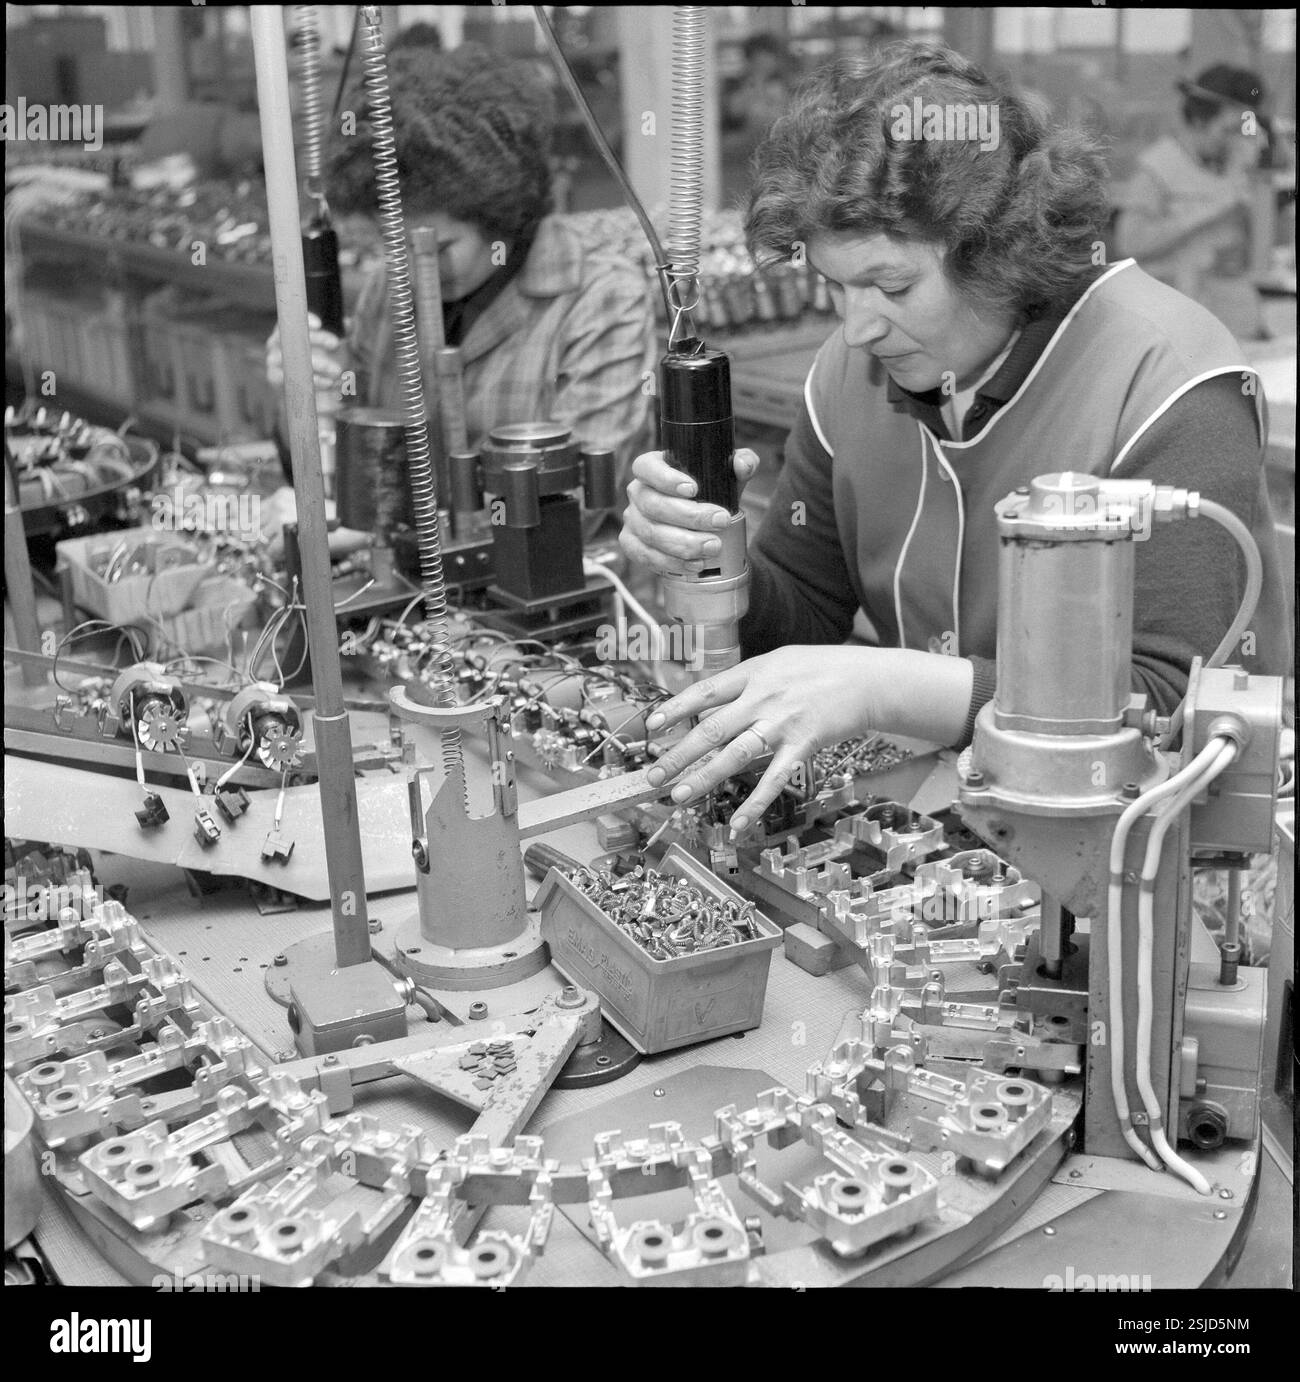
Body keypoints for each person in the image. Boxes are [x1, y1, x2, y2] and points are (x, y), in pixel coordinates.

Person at [621, 42, 1290, 834]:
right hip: (946, 820)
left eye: (892, 285)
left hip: (1143, 849)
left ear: (999, 252)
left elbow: (1167, 711)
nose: (857, 327)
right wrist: (713, 558)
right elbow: (803, 615)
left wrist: (881, 688)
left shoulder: (1165, 384)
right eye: (836, 287)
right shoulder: (850, 373)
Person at [265, 43, 656, 533]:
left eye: (436, 247)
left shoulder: (599, 296)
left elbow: (574, 505)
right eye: (388, 246)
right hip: (410, 593)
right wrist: (304, 396)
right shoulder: (387, 289)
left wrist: (381, 529)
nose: (406, 268)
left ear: (501, 215)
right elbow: (341, 468)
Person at [1115, 64, 1275, 341]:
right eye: (1227, 130)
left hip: (1235, 317)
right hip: (1177, 319)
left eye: (1242, 130)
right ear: (1200, 120)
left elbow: (1261, 249)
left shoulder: (1241, 161)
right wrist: (1209, 209)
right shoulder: (1156, 169)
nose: (1234, 141)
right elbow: (1130, 243)